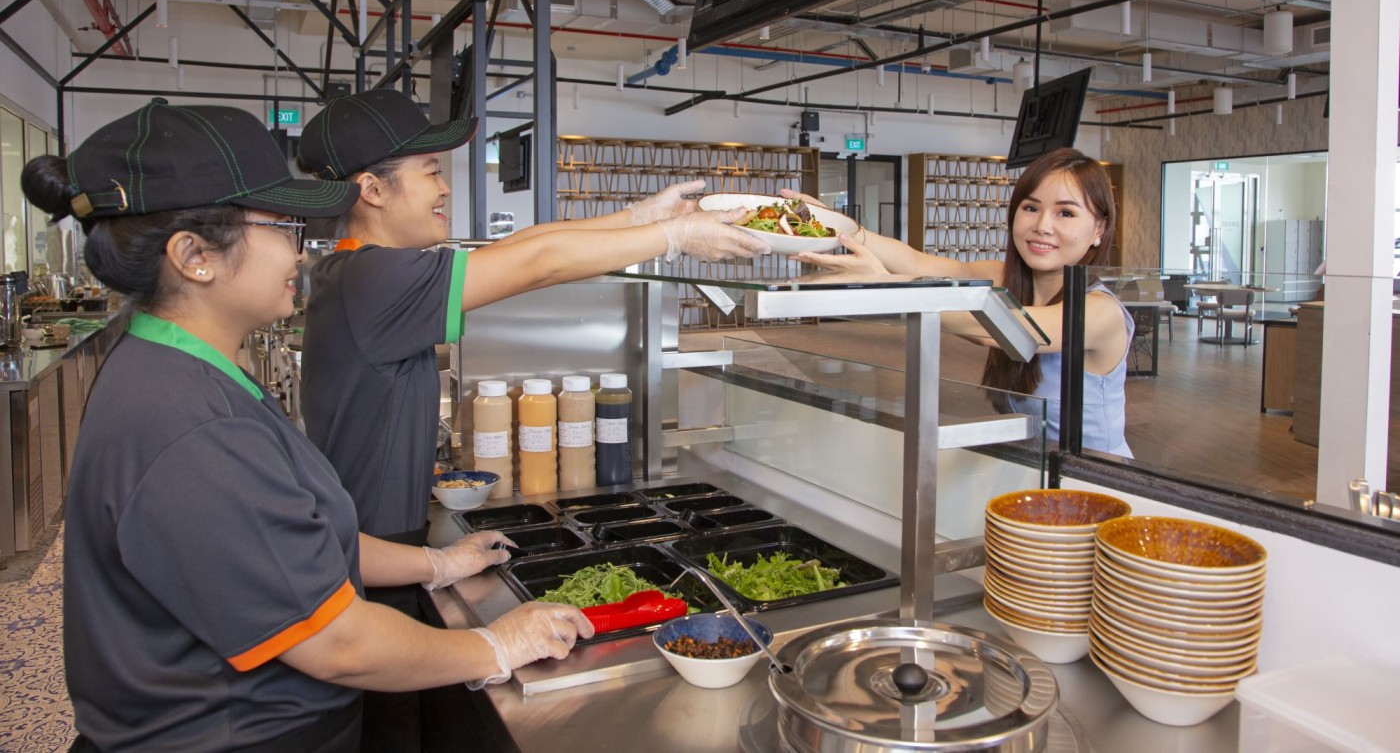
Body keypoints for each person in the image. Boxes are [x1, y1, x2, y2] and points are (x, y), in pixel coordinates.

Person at [26, 100, 593, 753]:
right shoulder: (188, 424)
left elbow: (289, 542)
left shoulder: (184, 368)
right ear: (194, 255)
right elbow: (339, 642)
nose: (301, 251)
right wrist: (495, 643)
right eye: (284, 225)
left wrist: (432, 562)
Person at [293, 89, 767, 750]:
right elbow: (537, 264)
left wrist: (637, 215)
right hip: (369, 572)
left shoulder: (365, 268)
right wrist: (674, 236)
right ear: (371, 188)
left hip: (382, 553)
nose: (443, 185)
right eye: (430, 169)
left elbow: (527, 244)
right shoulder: (376, 280)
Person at [792, 147, 1133, 458]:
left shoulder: (1101, 311)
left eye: (1066, 214)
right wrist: (836, 228)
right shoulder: (1005, 279)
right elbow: (916, 263)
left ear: (1099, 229)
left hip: (1096, 478)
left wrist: (883, 284)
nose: (1042, 225)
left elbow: (1004, 328)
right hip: (1030, 465)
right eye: (1031, 207)